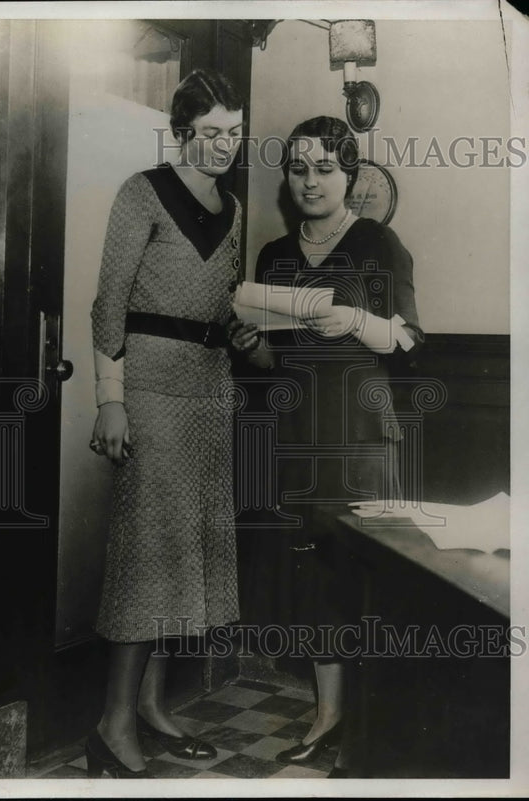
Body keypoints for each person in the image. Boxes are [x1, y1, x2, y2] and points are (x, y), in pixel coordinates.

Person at [86, 68, 260, 779]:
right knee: (147, 555)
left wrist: (242, 332)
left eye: (235, 133)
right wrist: (110, 396)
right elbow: (109, 302)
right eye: (212, 133)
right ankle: (111, 722)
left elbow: (220, 305)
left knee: (183, 552)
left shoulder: (237, 208)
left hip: (210, 388)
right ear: (183, 132)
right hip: (150, 386)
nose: (225, 146)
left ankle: (153, 708)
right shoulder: (141, 191)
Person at [242, 116, 423, 776]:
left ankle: (369, 730)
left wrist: (354, 319)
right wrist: (251, 347)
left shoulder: (377, 243)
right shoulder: (273, 257)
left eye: (324, 167)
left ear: (350, 173)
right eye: (298, 168)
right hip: (297, 435)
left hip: (359, 432)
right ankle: (328, 717)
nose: (310, 180)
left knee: (365, 575)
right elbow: (275, 357)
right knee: (314, 580)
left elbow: (405, 340)